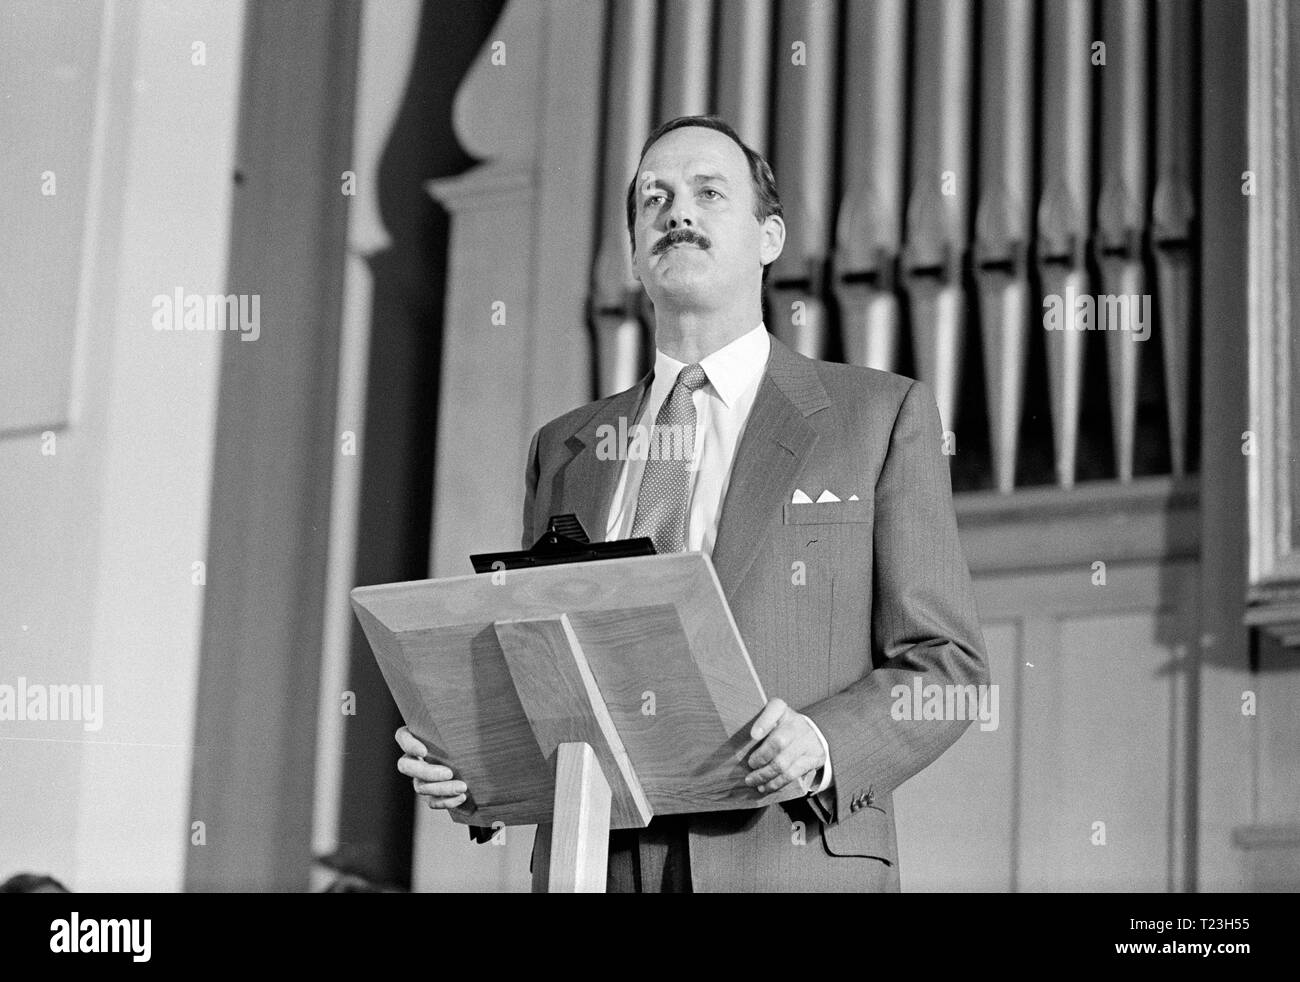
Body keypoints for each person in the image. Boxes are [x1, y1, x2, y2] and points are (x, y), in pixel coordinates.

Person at [397, 114, 988, 892]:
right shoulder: (566, 447)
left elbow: (948, 669)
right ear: (636, 253)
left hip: (785, 854)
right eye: (654, 199)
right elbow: (548, 670)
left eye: (710, 192)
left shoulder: (877, 417)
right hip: (594, 861)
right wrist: (472, 767)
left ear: (769, 237)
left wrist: (823, 742)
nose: (678, 212)